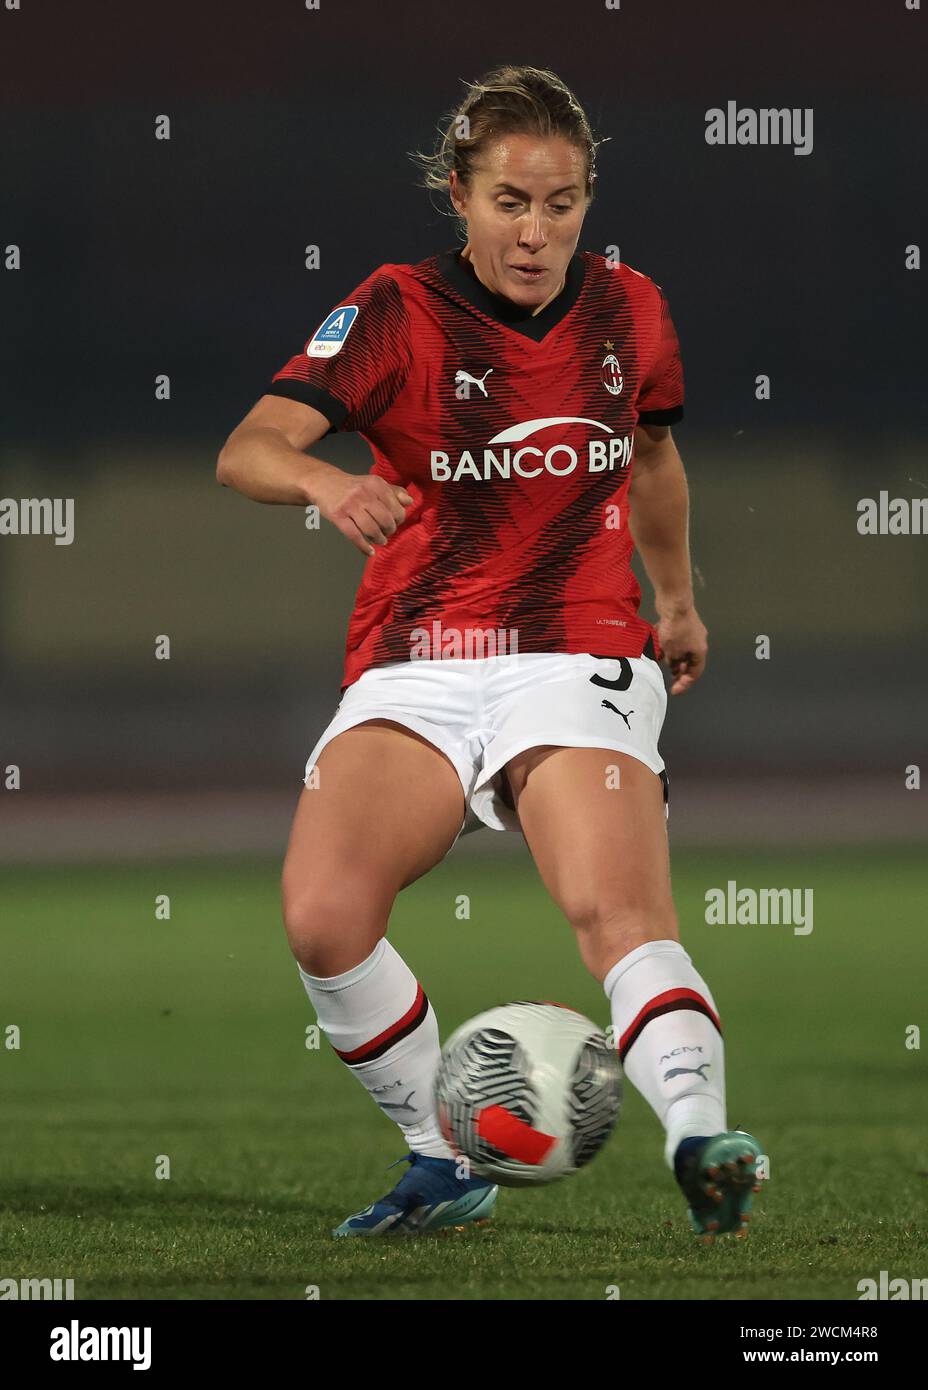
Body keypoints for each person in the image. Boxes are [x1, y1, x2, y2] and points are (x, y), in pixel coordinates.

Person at [217, 64, 764, 1242]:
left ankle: (699, 1137)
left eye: (561, 203)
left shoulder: (633, 312)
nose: (536, 230)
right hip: (417, 654)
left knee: (613, 909)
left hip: (577, 647)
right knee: (323, 916)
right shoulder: (394, 312)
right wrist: (322, 477)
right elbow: (249, 447)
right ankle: (440, 1152)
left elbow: (653, 458)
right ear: (458, 196)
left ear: (586, 200)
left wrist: (675, 599)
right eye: (511, 201)